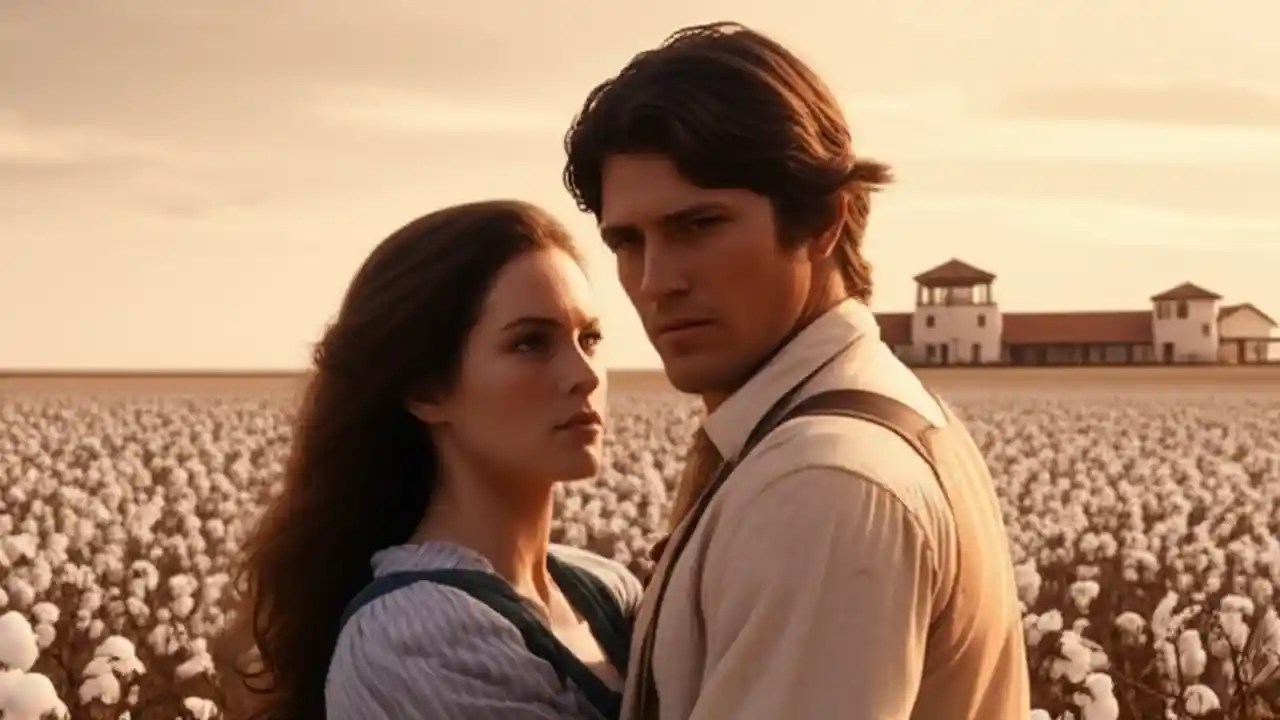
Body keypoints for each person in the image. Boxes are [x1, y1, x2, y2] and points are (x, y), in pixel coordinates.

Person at [562, 21, 1031, 720]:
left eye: (699, 226)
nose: (656, 281)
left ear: (822, 223)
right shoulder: (852, 426)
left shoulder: (821, 484)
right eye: (628, 241)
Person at [225, 200, 641, 720]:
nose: (585, 374)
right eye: (531, 343)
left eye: (590, 338)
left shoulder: (606, 588)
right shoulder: (417, 636)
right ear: (425, 390)